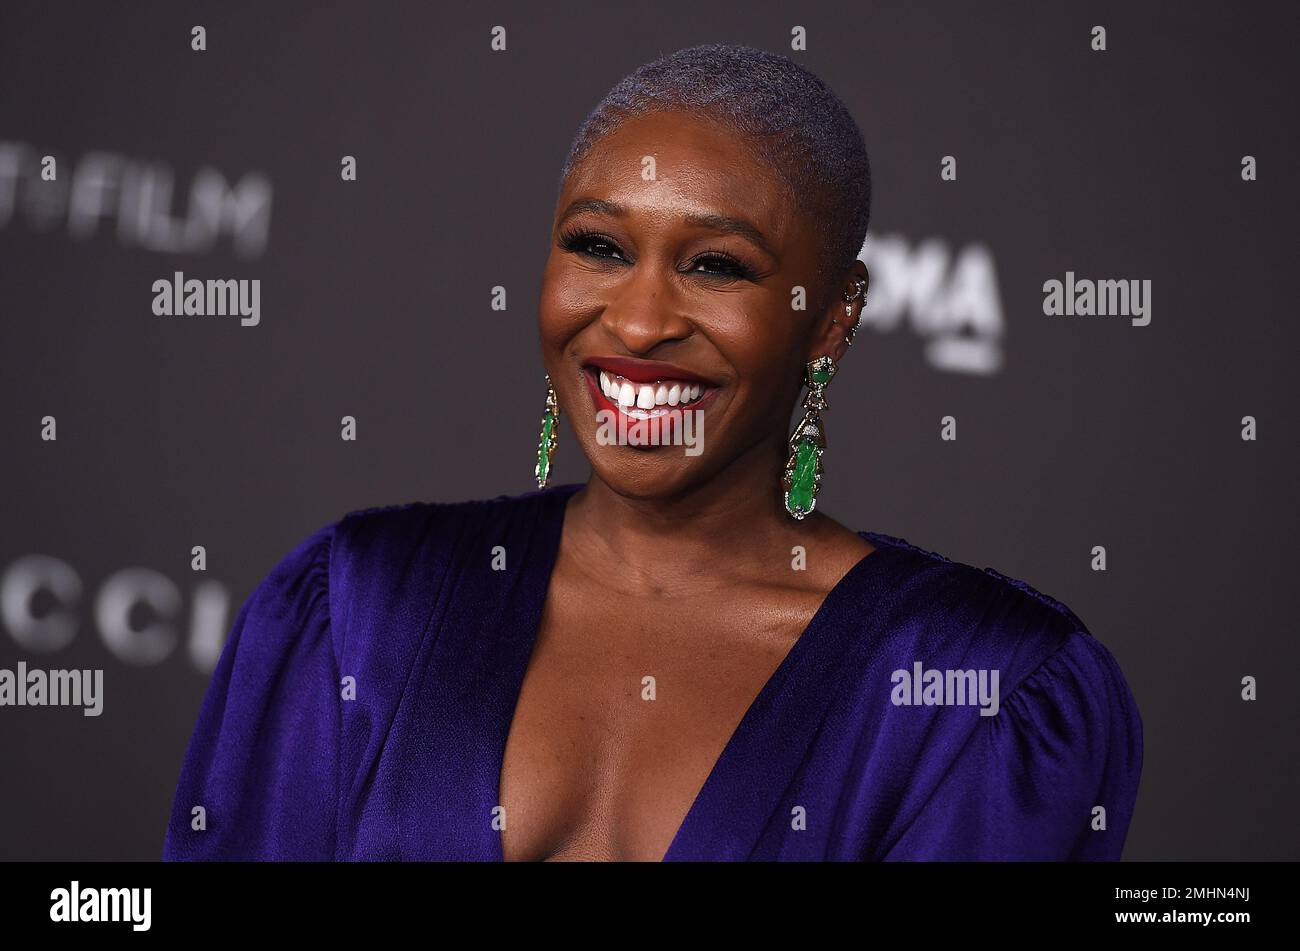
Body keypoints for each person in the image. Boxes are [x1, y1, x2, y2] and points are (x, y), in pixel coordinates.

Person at [163, 43, 1142, 862]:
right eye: (597, 246)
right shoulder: (359, 609)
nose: (636, 322)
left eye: (716, 265)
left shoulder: (975, 694)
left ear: (831, 320)